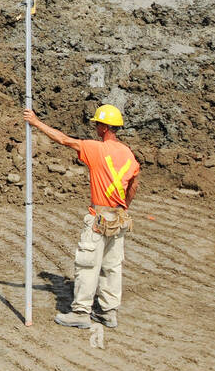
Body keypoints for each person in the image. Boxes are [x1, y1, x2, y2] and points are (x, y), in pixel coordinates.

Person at [23, 104, 139, 330]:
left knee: (87, 265)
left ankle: (81, 313)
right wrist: (124, 207)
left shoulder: (95, 149)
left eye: (97, 123)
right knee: (112, 266)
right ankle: (108, 312)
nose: (95, 127)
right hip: (119, 217)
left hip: (100, 217)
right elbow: (134, 184)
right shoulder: (127, 153)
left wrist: (36, 123)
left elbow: (64, 140)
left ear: (105, 127)